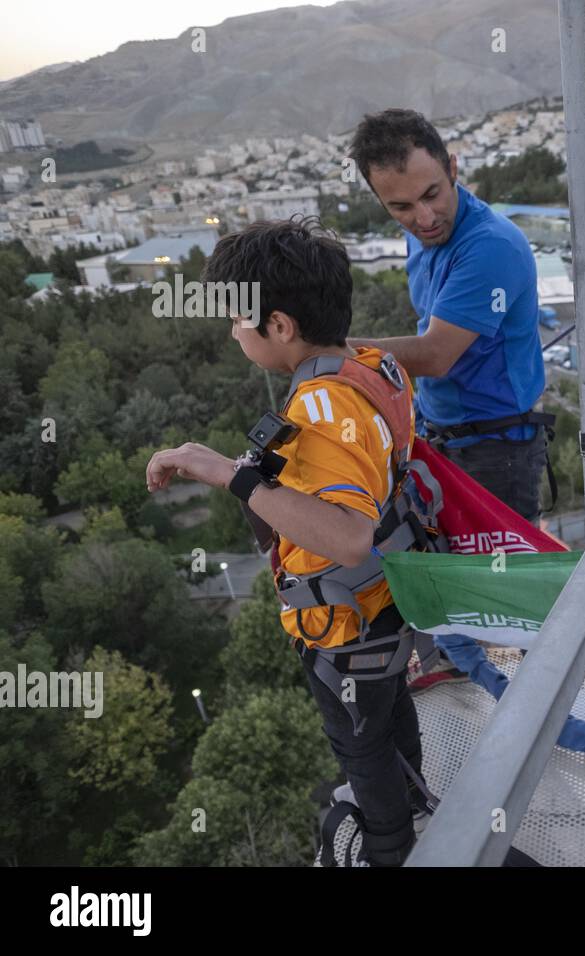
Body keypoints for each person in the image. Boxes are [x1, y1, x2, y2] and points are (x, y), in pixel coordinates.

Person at [145, 218, 430, 867]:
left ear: (278, 325)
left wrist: (229, 473)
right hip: (385, 605)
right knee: (388, 717)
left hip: (342, 625)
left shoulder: (323, 409)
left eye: (238, 321)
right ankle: (409, 805)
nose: (231, 333)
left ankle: (392, 846)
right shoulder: (371, 367)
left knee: (360, 743)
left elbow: (350, 537)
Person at [346, 108, 554, 525]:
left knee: (497, 587)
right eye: (401, 206)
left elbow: (436, 354)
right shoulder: (423, 236)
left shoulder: (490, 246)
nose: (423, 218)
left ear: (453, 168)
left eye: (431, 195)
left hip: (496, 453)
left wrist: (326, 349)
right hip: (443, 437)